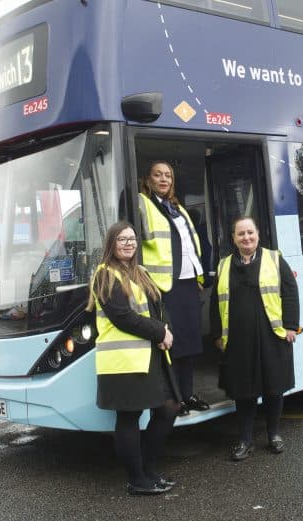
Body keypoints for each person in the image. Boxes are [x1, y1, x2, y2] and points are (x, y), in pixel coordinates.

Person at [86, 221, 180, 496]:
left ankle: (148, 471)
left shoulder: (141, 272)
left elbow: (159, 307)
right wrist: (160, 331)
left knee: (169, 409)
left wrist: (166, 330)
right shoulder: (104, 274)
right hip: (124, 360)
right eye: (122, 239)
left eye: (132, 239)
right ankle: (137, 479)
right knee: (129, 418)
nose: (128, 243)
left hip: (150, 354)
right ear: (111, 245)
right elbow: (122, 316)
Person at [211, 216, 300, 461]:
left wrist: (291, 326)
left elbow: (290, 292)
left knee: (274, 387)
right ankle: (245, 440)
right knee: (243, 391)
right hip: (238, 339)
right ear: (233, 239)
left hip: (272, 334)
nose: (246, 237)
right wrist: (217, 334)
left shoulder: (274, 258)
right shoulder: (223, 265)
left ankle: (274, 435)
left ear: (258, 235)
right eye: (241, 234)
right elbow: (214, 303)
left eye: (250, 232)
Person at [137, 160, 210, 416]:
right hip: (165, 285)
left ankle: (187, 394)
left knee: (190, 342)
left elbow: (190, 244)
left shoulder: (176, 207)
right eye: (158, 175)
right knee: (172, 344)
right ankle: (174, 398)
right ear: (148, 179)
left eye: (168, 175)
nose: (164, 179)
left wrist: (199, 277)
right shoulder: (143, 203)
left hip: (188, 281)